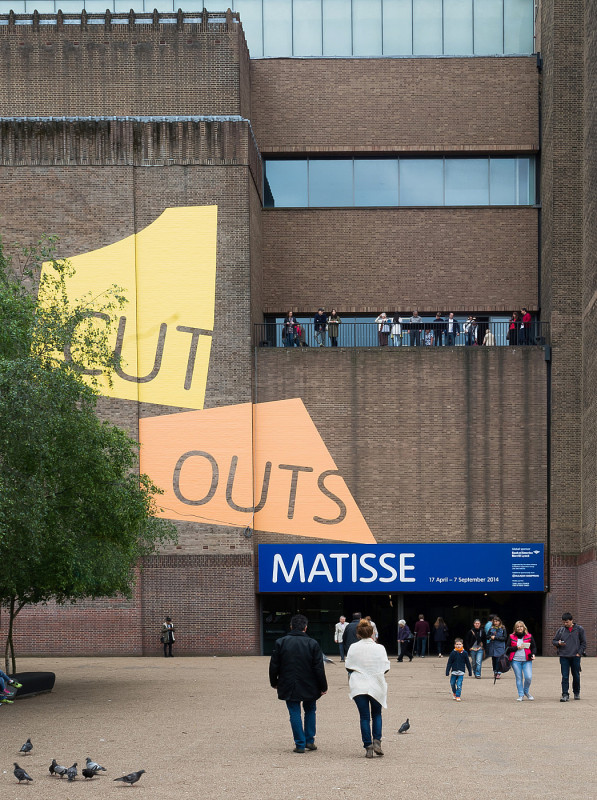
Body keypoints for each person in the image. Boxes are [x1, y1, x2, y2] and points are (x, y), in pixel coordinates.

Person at [269, 614, 328, 753]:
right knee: (310, 710)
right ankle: (309, 740)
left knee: (294, 712)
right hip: (310, 683)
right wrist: (323, 686)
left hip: (289, 682)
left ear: (291, 626)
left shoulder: (281, 642)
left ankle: (300, 743)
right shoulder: (312, 643)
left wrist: (274, 682)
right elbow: (319, 668)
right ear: (305, 627)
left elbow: (274, 665)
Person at [344, 618, 390, 757]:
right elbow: (386, 667)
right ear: (372, 633)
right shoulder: (380, 648)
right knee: (376, 714)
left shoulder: (353, 647)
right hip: (376, 684)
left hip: (359, 684)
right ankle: (377, 741)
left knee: (364, 717)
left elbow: (348, 666)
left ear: (358, 634)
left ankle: (368, 746)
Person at [552, 612, 587, 701]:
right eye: (564, 622)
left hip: (575, 656)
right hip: (564, 656)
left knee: (576, 675)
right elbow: (554, 641)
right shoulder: (561, 630)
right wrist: (558, 643)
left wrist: (579, 653)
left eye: (567, 622)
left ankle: (576, 692)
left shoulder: (579, 629)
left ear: (572, 620)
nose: (565, 624)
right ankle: (565, 694)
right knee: (565, 676)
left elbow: (583, 643)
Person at [506, 620, 537, 701]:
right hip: (515, 660)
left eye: (521, 626)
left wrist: (533, 654)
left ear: (524, 627)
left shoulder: (529, 636)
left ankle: (526, 691)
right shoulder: (511, 636)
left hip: (527, 660)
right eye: (517, 627)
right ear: (515, 628)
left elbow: (534, 647)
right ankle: (521, 695)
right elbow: (507, 649)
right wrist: (516, 648)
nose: (519, 628)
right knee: (519, 678)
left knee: (528, 677)